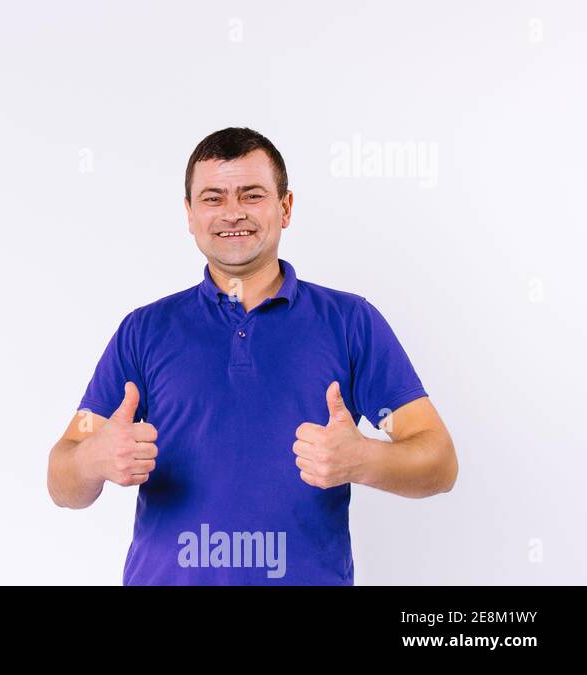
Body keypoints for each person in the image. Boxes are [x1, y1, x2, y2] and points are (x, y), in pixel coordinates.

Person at [46, 127, 458, 585]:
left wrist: (363, 459)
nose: (232, 212)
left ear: (285, 208)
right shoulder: (144, 331)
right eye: (213, 198)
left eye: (252, 194)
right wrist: (93, 461)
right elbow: (61, 479)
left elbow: (439, 461)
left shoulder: (349, 322)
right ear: (189, 213)